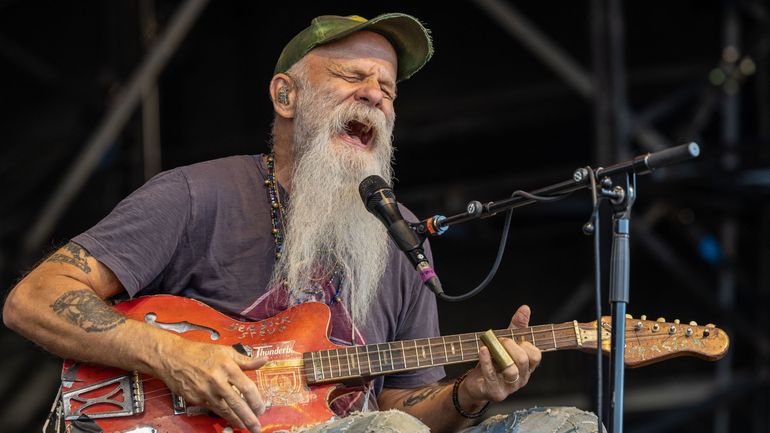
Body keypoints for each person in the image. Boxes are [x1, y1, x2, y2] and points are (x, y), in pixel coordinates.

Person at [3, 13, 602, 433]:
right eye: (351, 77)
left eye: (388, 89)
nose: (375, 95)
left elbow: (403, 406)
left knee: (569, 426)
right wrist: (169, 354)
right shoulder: (196, 195)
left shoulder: (399, 235)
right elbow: (34, 298)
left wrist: (469, 395)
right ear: (285, 96)